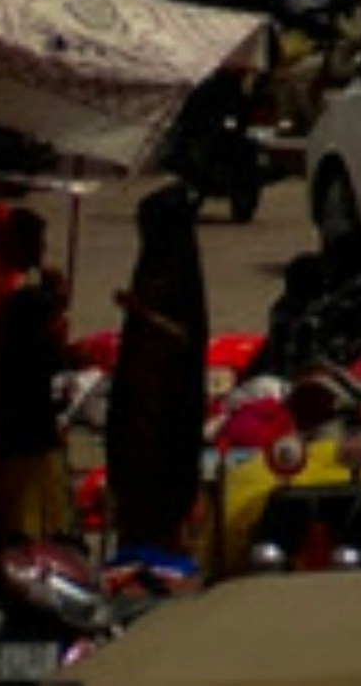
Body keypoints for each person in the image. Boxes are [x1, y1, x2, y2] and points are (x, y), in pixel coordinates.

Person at [102, 179, 215, 566]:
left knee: (162, 485)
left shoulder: (180, 271)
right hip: (139, 404)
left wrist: (142, 313)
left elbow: (185, 337)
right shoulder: (152, 266)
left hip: (169, 404)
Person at [0, 207, 73, 555]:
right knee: (28, 504)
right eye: (36, 240)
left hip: (1, 402)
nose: (42, 248)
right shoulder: (19, 296)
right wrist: (55, 308)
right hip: (24, 410)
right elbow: (39, 357)